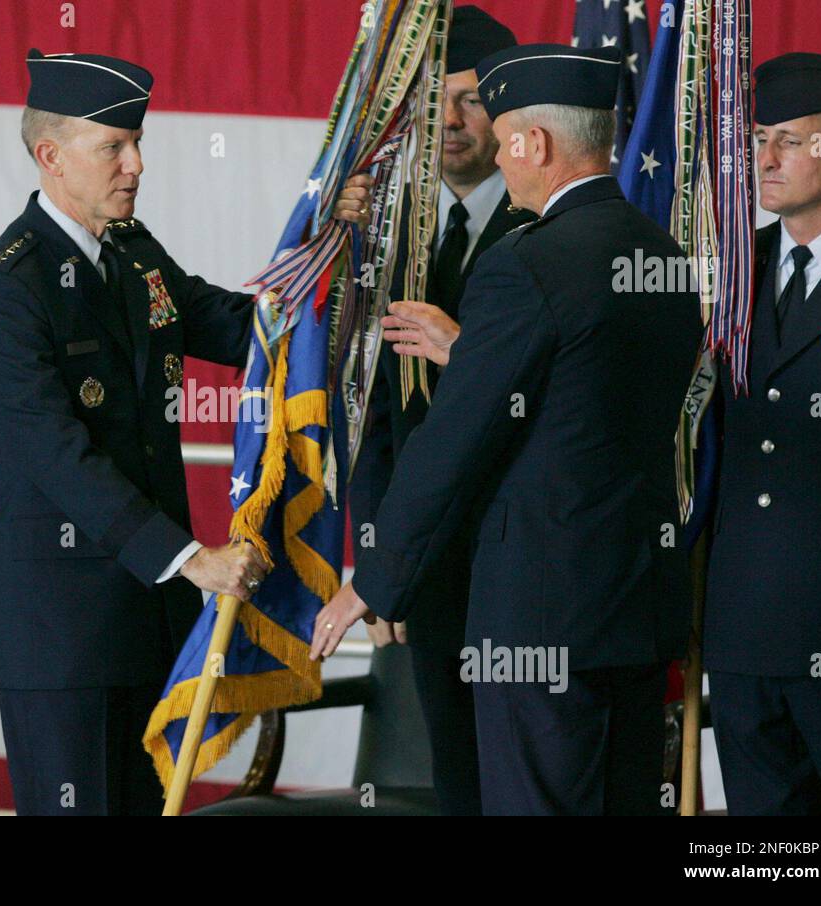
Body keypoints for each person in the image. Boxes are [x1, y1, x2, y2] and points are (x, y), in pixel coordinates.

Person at [311, 44, 702, 815]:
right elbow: (585, 404)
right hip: (636, 609)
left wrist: (376, 578)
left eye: (505, 137)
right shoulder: (666, 258)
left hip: (539, 620)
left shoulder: (524, 263)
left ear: (539, 145)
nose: (494, 150)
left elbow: (456, 438)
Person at [0, 49, 267, 816]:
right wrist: (189, 558)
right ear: (51, 157)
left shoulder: (131, 251)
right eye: (114, 148)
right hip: (64, 632)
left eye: (137, 144)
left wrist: (332, 276)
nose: (136, 165)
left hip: (150, 618)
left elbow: (233, 327)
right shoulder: (6, 286)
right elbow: (57, 457)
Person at [332, 4, 532, 816]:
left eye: (473, 99)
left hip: (526, 565)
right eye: (435, 98)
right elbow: (372, 418)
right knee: (461, 786)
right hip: (431, 570)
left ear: (511, 115)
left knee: (532, 787)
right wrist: (383, 565)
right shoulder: (385, 231)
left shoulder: (548, 226)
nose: (450, 119)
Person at [703, 52, 821, 815]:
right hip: (740, 623)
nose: (764, 157)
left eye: (789, 139)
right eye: (759, 136)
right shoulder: (731, 272)